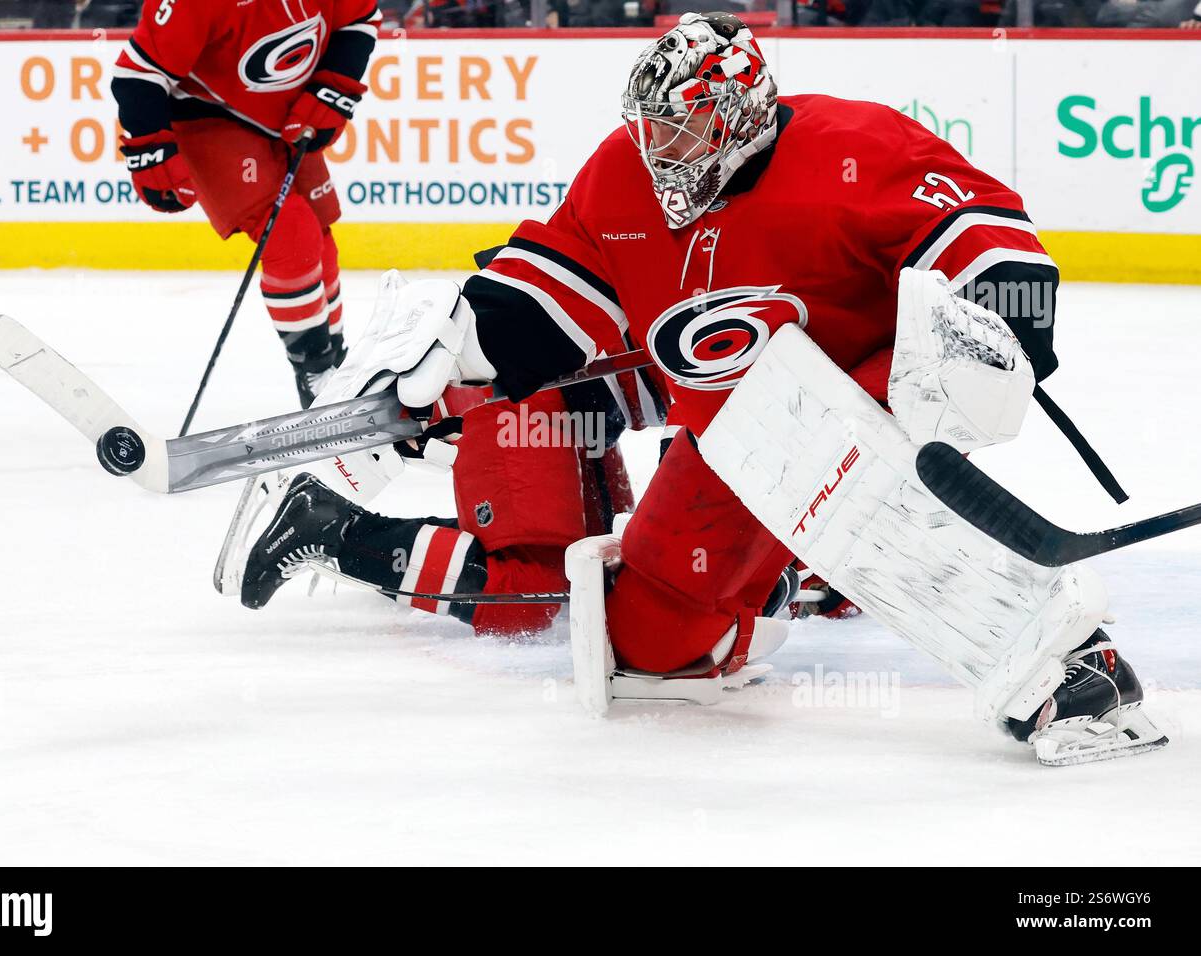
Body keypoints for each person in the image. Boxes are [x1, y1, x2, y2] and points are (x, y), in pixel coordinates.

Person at [232, 13, 1166, 764]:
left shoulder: (851, 143)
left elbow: (983, 231)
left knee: (844, 479)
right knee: (641, 647)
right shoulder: (622, 181)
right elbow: (550, 297)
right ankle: (788, 573)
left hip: (862, 394)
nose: (659, 149)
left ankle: (1063, 668)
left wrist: (1003, 329)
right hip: (724, 432)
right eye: (652, 127)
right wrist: (449, 370)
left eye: (680, 127)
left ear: (738, 111)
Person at [110, 0, 381, 407]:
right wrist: (150, 151)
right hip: (209, 115)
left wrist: (334, 86)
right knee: (290, 234)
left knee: (321, 241)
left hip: (287, 111)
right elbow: (137, 74)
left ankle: (336, 369)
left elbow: (360, 19)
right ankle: (314, 370)